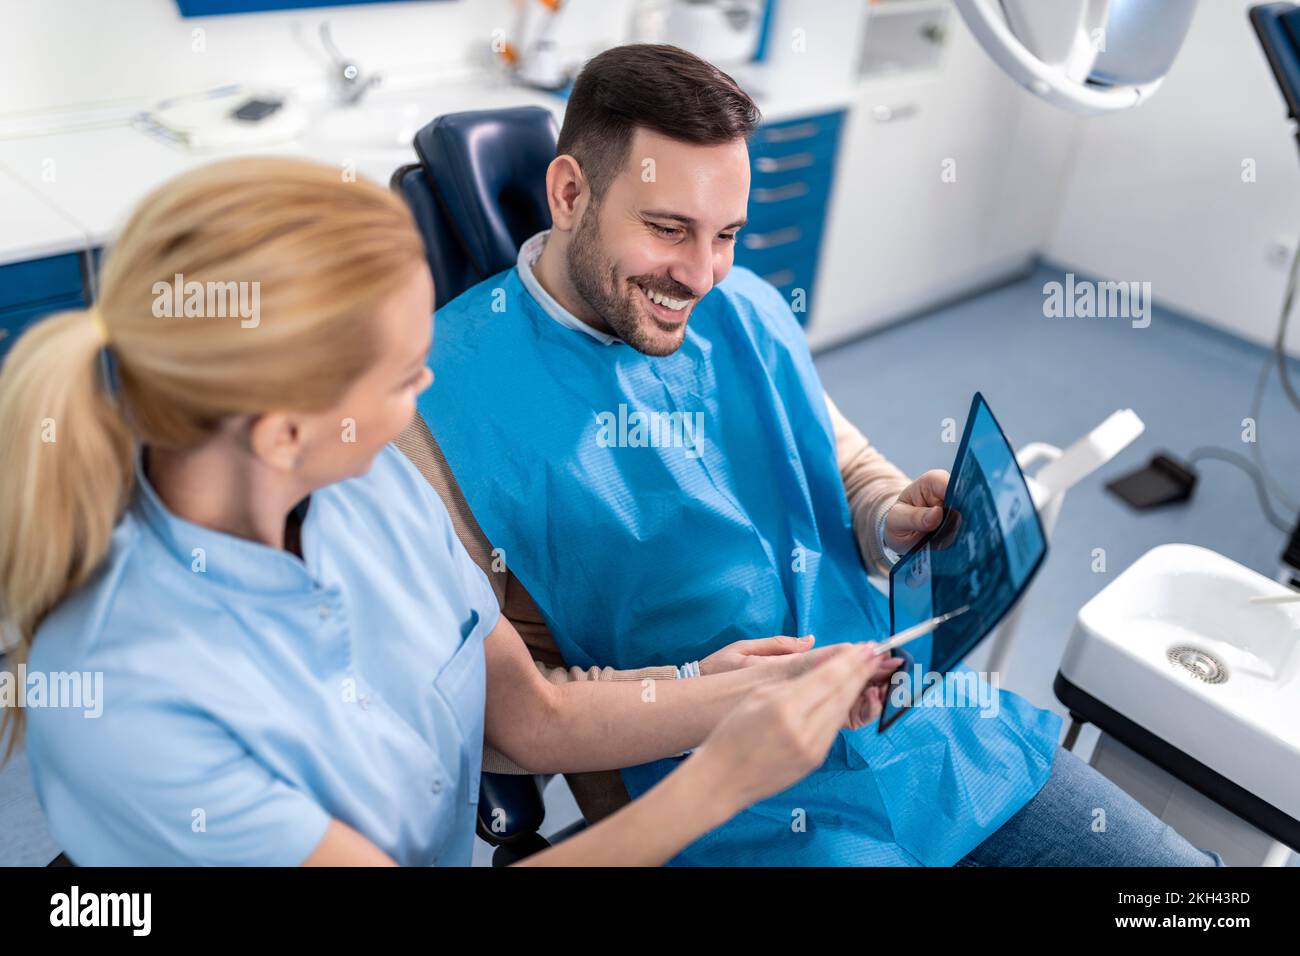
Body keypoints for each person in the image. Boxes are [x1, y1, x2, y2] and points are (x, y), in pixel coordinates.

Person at [409, 44, 1225, 866]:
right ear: (570, 192)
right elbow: (511, 724)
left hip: (913, 726)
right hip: (716, 791)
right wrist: (715, 695)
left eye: (726, 233)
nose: (700, 275)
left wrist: (890, 515)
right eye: (667, 230)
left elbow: (840, 462)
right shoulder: (440, 411)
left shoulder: (747, 309)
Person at [0, 156, 901, 866]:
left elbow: (532, 716)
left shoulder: (370, 494)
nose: (429, 386)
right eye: (403, 376)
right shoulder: (133, 699)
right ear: (281, 433)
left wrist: (744, 690)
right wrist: (712, 787)